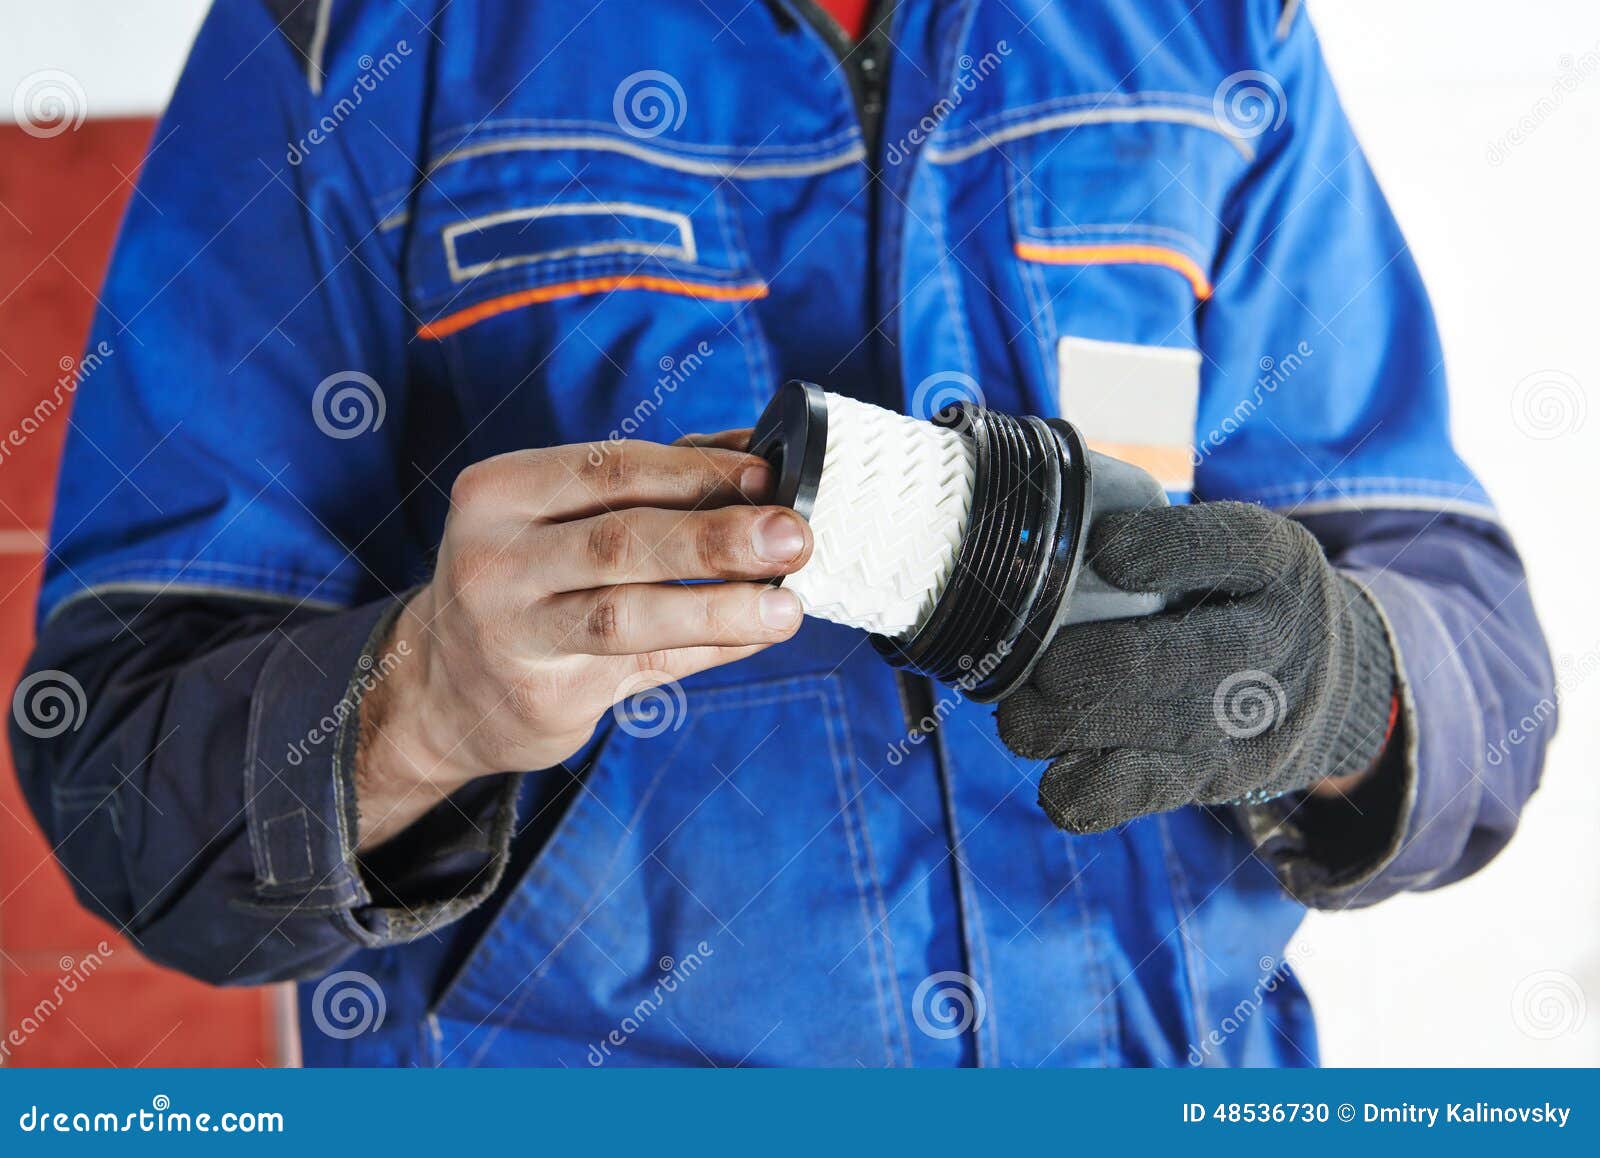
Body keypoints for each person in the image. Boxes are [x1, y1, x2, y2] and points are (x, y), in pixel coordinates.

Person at [11, 0, 1553, 1067]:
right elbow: (117, 757)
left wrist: (1345, 683)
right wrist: (422, 706)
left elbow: (1468, 635)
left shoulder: (1213, 30)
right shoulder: (344, 36)